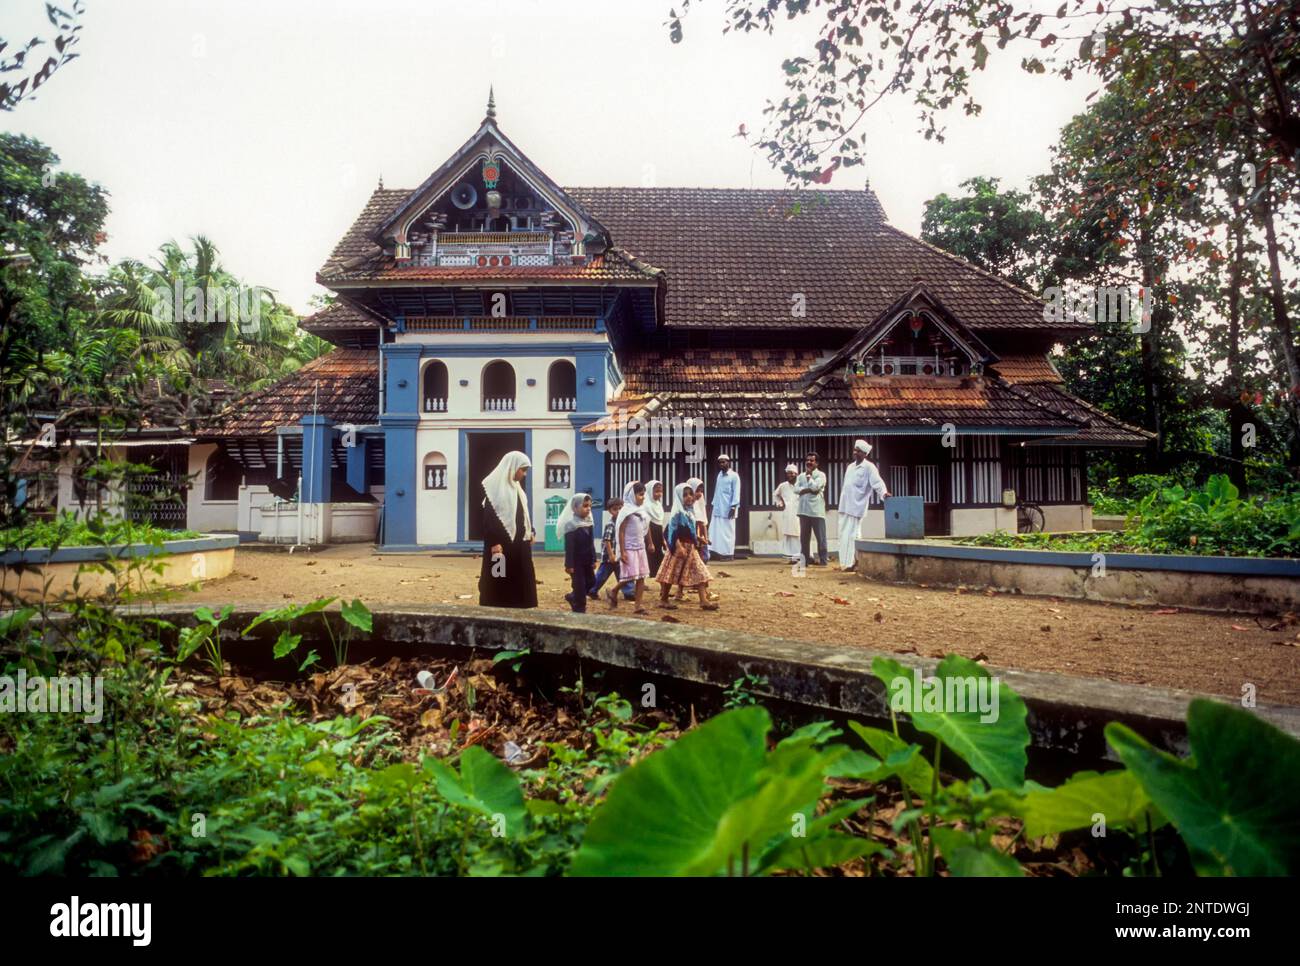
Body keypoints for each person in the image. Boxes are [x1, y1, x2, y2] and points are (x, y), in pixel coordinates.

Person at [478, 450, 538, 608]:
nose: (524, 474)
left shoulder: (517, 490)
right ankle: (498, 607)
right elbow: (488, 520)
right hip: (501, 546)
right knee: (499, 576)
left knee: (521, 578)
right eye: (523, 469)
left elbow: (522, 514)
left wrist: (531, 531)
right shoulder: (495, 491)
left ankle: (521, 606)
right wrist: (494, 543)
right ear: (512, 467)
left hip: (519, 545)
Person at [656, 483, 718, 610]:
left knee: (700, 571)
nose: (689, 497)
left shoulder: (690, 512)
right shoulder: (677, 513)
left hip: (690, 549)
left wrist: (699, 538)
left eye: (690, 494)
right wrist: (678, 547)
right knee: (672, 574)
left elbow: (690, 531)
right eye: (685, 495)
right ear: (679, 497)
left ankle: (703, 601)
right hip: (679, 549)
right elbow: (671, 531)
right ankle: (663, 599)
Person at [837, 439, 889, 572]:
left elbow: (877, 482)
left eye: (859, 451)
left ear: (865, 454)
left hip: (856, 506)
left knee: (852, 535)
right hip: (845, 505)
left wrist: (883, 493)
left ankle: (851, 563)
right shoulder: (850, 467)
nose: (855, 453)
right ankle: (846, 562)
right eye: (855, 450)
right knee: (844, 534)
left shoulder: (869, 467)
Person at [609, 481, 650, 614]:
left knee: (641, 576)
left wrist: (650, 543)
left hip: (640, 547)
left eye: (644, 494)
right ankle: (614, 590)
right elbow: (620, 532)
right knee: (630, 576)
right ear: (632, 495)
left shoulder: (641, 511)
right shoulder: (626, 511)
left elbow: (646, 527)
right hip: (629, 547)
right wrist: (623, 551)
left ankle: (638, 606)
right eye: (640, 495)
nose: (643, 497)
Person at [590, 497, 635, 601]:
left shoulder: (623, 524)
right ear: (610, 511)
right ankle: (592, 590)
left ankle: (629, 592)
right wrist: (611, 555)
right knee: (602, 575)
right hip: (609, 557)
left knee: (624, 573)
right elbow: (607, 540)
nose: (618, 511)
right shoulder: (611, 525)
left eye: (620, 508)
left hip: (620, 556)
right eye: (615, 509)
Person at [559, 493, 595, 613]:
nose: (588, 508)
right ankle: (579, 608)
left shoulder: (589, 522)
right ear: (575, 508)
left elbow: (591, 542)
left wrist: (593, 559)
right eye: (585, 506)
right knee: (579, 585)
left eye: (590, 506)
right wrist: (569, 565)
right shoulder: (571, 525)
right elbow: (569, 547)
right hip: (576, 562)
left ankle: (573, 596)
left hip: (587, 560)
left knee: (591, 582)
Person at [796, 451, 829, 566]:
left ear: (817, 463)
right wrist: (808, 489)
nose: (809, 462)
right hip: (803, 510)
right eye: (807, 460)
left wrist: (809, 478)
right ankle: (805, 561)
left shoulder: (821, 475)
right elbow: (796, 490)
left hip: (816, 511)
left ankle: (823, 561)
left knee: (821, 538)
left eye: (812, 460)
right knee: (804, 538)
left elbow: (815, 488)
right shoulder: (800, 476)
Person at [710, 454, 741, 559]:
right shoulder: (719, 475)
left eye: (724, 462)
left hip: (728, 509)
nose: (721, 464)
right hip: (718, 508)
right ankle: (717, 553)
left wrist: (733, 507)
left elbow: (736, 492)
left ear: (729, 463)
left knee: (728, 533)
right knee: (716, 532)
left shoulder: (734, 476)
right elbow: (717, 491)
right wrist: (713, 505)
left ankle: (728, 554)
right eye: (720, 462)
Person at [773, 463, 802, 563]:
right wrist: (780, 503)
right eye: (788, 473)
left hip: (799, 513)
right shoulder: (783, 486)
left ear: (796, 474)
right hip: (788, 512)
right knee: (788, 534)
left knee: (799, 533)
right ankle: (789, 556)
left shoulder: (801, 485)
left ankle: (800, 555)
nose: (790, 475)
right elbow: (775, 495)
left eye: (792, 473)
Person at [645, 479, 667, 576]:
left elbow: (660, 523)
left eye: (661, 491)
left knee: (659, 558)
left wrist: (663, 540)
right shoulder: (646, 505)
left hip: (658, 535)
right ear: (650, 491)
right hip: (649, 535)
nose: (659, 494)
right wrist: (650, 543)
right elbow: (647, 525)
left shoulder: (658, 505)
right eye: (656, 491)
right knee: (648, 558)